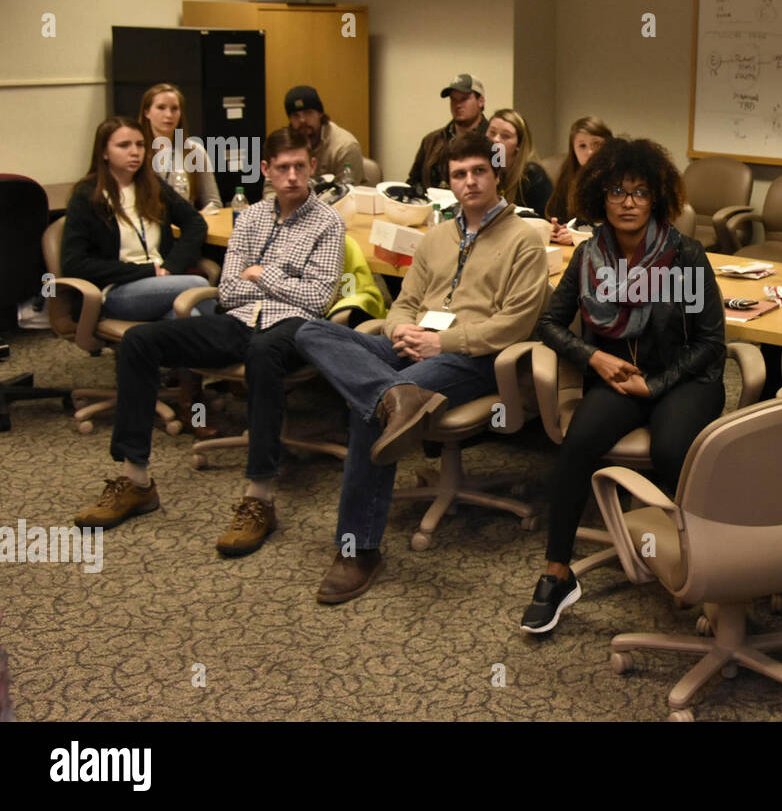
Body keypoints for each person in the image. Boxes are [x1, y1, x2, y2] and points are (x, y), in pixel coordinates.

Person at [296, 132, 549, 605]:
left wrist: (443, 342)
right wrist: (399, 331)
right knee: (312, 332)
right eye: (459, 174)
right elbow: (405, 302)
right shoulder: (436, 236)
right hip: (413, 349)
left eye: (479, 172)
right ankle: (392, 396)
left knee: (366, 409)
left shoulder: (524, 243)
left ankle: (358, 549)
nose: (469, 182)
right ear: (448, 181)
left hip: (472, 359)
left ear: (497, 174)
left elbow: (515, 326)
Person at [71, 127, 346, 558]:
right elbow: (230, 290)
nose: (292, 176)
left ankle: (259, 498)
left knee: (263, 351)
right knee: (142, 341)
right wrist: (274, 280)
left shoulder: (328, 222)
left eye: (300, 166)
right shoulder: (251, 217)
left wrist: (263, 275)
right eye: (283, 168)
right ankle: (136, 480)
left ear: (312, 167)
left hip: (291, 328)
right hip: (238, 321)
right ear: (266, 170)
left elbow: (317, 298)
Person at [520, 138, 726, 634]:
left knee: (675, 449)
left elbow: (711, 343)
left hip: (684, 379)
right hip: (617, 377)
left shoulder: (685, 256)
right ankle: (557, 573)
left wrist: (654, 386)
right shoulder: (590, 255)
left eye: (639, 192)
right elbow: (549, 324)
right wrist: (596, 358)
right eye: (617, 191)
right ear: (600, 197)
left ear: (656, 198)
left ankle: (713, 572)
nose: (628, 202)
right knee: (576, 447)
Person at [62, 117, 212, 321]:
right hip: (116, 291)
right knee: (198, 286)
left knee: (189, 317)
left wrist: (171, 266)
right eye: (124, 145)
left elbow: (195, 223)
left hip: (164, 282)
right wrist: (145, 271)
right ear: (104, 153)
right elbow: (74, 263)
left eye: (140, 145)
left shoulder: (152, 186)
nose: (135, 152)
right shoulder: (88, 196)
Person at [139, 83, 221, 211]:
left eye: (174, 109)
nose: (169, 115)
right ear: (147, 112)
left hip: (184, 226)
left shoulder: (194, 150)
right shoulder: (136, 150)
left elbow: (213, 203)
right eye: (161, 108)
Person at [407, 73, 489, 191]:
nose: (458, 105)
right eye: (453, 99)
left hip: (479, 207)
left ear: (480, 101)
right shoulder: (431, 141)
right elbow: (413, 182)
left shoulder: (496, 143)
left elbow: (503, 185)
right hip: (433, 207)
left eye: (464, 99)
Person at [544, 115, 612, 245]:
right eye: (582, 146)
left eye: (596, 144)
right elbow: (559, 216)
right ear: (573, 150)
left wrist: (577, 235)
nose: (590, 152)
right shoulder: (568, 176)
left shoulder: (618, 178)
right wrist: (560, 230)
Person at [285, 85, 365, 183]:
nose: (302, 120)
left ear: (320, 114)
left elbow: (348, 193)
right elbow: (270, 186)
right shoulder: (284, 144)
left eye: (308, 113)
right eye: (295, 115)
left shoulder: (345, 146)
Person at [486, 108, 553, 213]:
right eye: (492, 133)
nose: (496, 140)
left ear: (519, 144)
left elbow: (547, 221)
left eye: (505, 136)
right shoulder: (485, 169)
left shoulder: (532, 174)